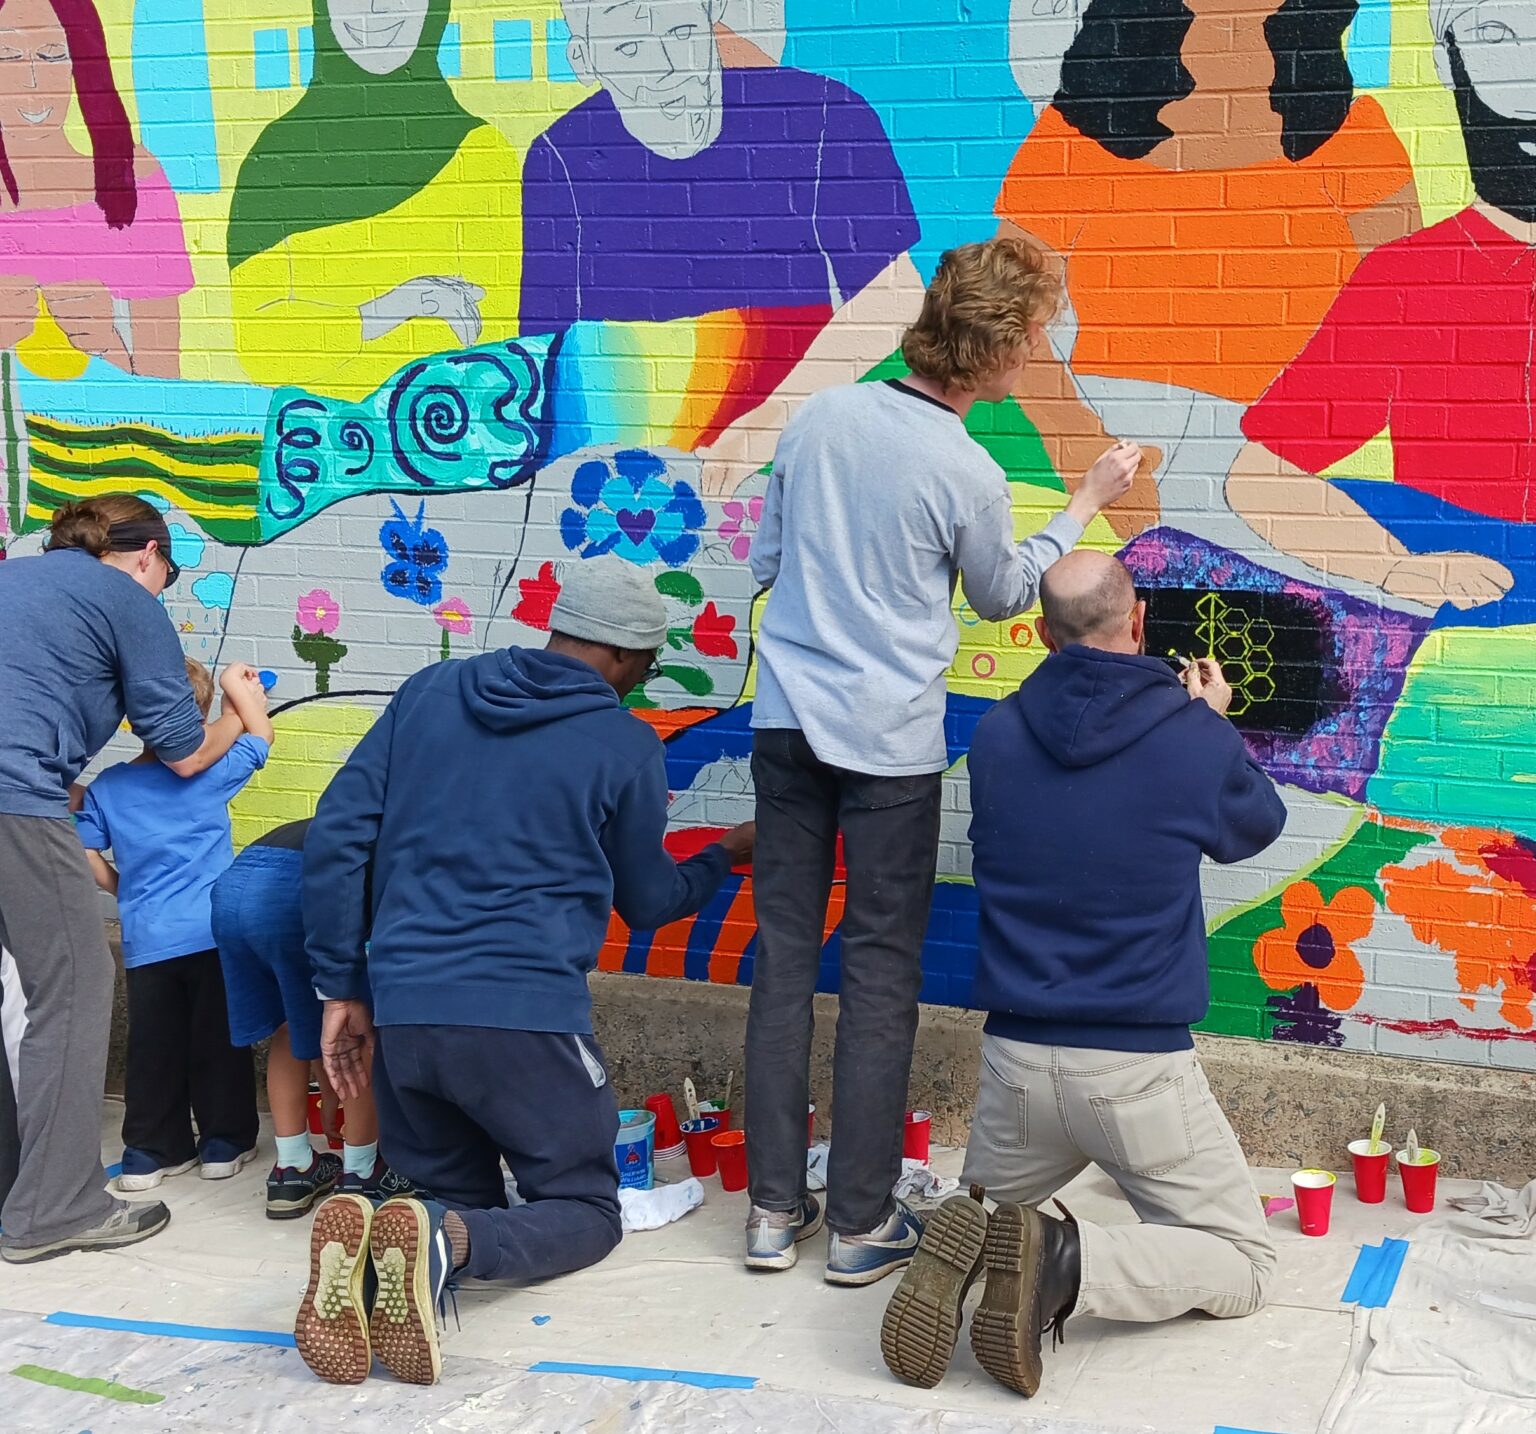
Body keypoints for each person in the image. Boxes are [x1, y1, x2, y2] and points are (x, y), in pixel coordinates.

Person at [741, 236, 1140, 1286]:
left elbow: (768, 560)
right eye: (1034, 338)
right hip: (888, 744)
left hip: (785, 723)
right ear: (997, 348)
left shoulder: (820, 414)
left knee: (783, 959)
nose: (1038, 355)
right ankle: (862, 1221)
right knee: (878, 973)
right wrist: (1087, 503)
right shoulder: (966, 467)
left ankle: (772, 1213)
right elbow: (1010, 596)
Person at [293, 559, 754, 1387]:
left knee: (435, 1190)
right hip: (525, 1016)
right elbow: (647, 902)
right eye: (646, 667)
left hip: (403, 1008)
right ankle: (449, 1244)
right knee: (582, 1208)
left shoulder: (430, 692)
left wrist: (342, 989)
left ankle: (385, 1262)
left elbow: (336, 840)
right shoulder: (621, 741)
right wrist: (722, 855)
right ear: (625, 657)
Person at [880, 551, 1287, 1395]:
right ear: (1137, 623)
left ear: (1039, 634)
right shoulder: (1190, 736)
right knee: (1243, 1263)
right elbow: (1256, 826)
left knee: (987, 1222)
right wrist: (1212, 721)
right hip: (1136, 1074)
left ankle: (976, 1247)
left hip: (1017, 1064)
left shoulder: (995, 735)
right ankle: (1070, 1259)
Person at [0, 494, 250, 1264]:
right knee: (70, 991)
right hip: (14, 802)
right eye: (166, 575)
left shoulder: (14, 580)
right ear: (147, 556)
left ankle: (19, 1186)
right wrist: (244, 710)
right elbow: (182, 752)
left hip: (25, 790)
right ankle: (54, 1208)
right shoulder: (125, 597)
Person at [1227, 0, 1529, 617]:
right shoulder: (1410, 280)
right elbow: (1260, 477)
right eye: (1495, 36)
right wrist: (1393, 566)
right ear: (1448, 63)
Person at [227, 0, 522, 398]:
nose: (376, 7)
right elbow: (260, 346)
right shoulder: (273, 161)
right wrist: (397, 306)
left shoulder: (481, 155)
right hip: (312, 444)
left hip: (449, 439)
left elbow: (491, 340)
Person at [72, 658, 270, 1191]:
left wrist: (121, 888)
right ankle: (224, 1143)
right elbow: (261, 734)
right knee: (218, 1041)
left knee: (152, 1048)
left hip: (148, 939)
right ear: (197, 720)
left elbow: (84, 847)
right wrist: (238, 691)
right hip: (212, 936)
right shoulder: (212, 772)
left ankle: (149, 1151)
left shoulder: (110, 787)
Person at [211, 817, 409, 1219]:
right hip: (295, 892)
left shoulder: (344, 813)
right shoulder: (401, 835)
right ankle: (361, 1171)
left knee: (288, 1022)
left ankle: (293, 1167)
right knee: (355, 1027)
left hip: (232, 891)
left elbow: (310, 1025)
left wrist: (332, 1091)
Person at [0, 0, 189, 381]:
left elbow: (164, 387)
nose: (32, 82)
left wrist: (107, 344)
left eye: (52, 55)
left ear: (81, 64)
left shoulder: (133, 180)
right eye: (8, 56)